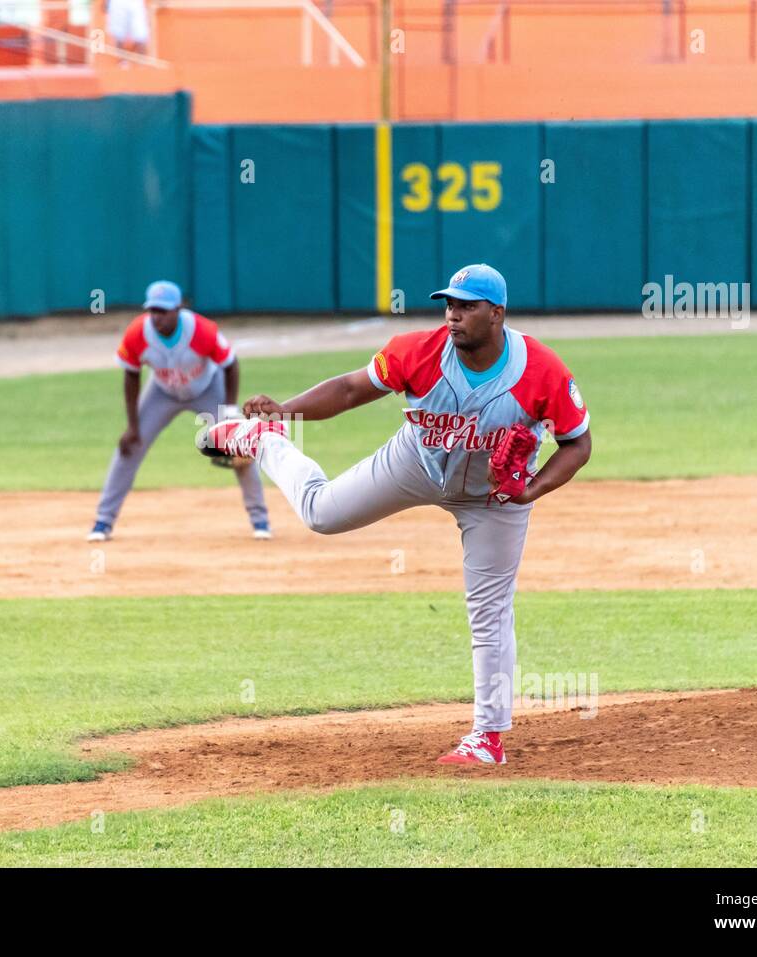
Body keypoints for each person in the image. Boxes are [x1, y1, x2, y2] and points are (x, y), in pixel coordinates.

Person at [201, 264, 592, 765]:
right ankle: (261, 440)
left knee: (490, 609)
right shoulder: (417, 351)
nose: (453, 315)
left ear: (497, 314)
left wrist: (532, 489)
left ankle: (487, 738)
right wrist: (283, 412)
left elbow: (577, 443)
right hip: (416, 461)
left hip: (492, 498)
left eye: (467, 306)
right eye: (449, 304)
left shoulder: (541, 370)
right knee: (321, 513)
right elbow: (347, 390)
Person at [88, 280, 271, 542]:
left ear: (178, 309)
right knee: (129, 446)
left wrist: (230, 412)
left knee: (238, 446)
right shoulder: (138, 333)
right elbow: (131, 375)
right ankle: (103, 522)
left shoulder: (201, 330)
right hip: (162, 393)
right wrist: (132, 425)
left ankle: (260, 519)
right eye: (152, 310)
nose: (156, 317)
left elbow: (230, 365)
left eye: (163, 311)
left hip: (208, 388)